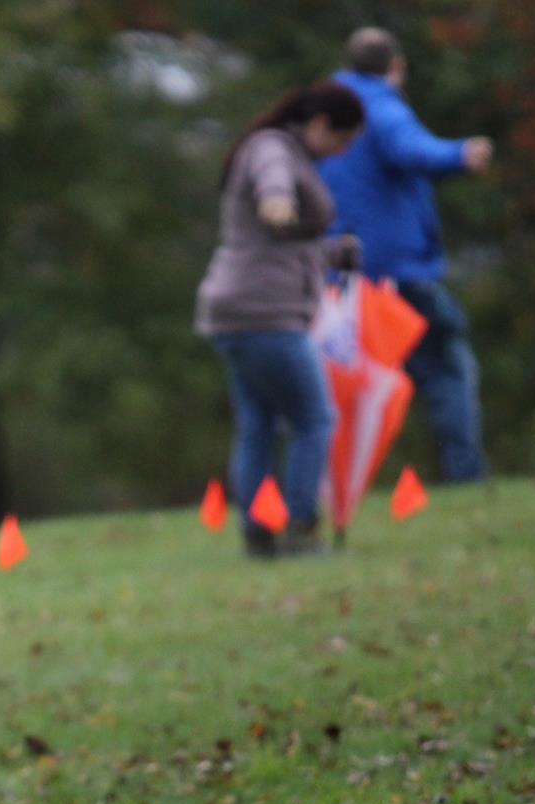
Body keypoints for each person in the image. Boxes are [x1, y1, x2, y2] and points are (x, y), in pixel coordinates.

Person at [196, 82, 365, 557]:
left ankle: (258, 532)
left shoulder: (283, 150)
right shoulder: (272, 147)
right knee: (315, 417)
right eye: (342, 139)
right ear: (318, 124)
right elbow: (273, 187)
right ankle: (301, 528)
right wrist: (275, 198)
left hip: (234, 308)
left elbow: (284, 243)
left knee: (259, 424)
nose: (341, 151)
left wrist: (333, 252)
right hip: (265, 311)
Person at [321, 27, 495, 482]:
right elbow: (412, 148)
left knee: (336, 386)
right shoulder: (380, 107)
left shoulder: (320, 111)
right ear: (396, 67)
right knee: (445, 369)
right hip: (395, 274)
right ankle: (466, 477)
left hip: (338, 275)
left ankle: (323, 486)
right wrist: (462, 153)